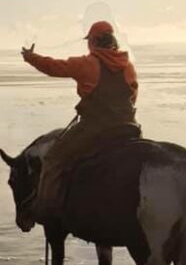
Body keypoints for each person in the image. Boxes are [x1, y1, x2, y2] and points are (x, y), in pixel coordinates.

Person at [21, 20, 140, 222]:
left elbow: (54, 67)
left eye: (89, 41)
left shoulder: (88, 64)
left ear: (93, 41)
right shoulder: (128, 66)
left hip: (96, 128)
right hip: (129, 128)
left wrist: (30, 57)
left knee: (53, 159)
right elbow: (133, 95)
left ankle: (47, 208)